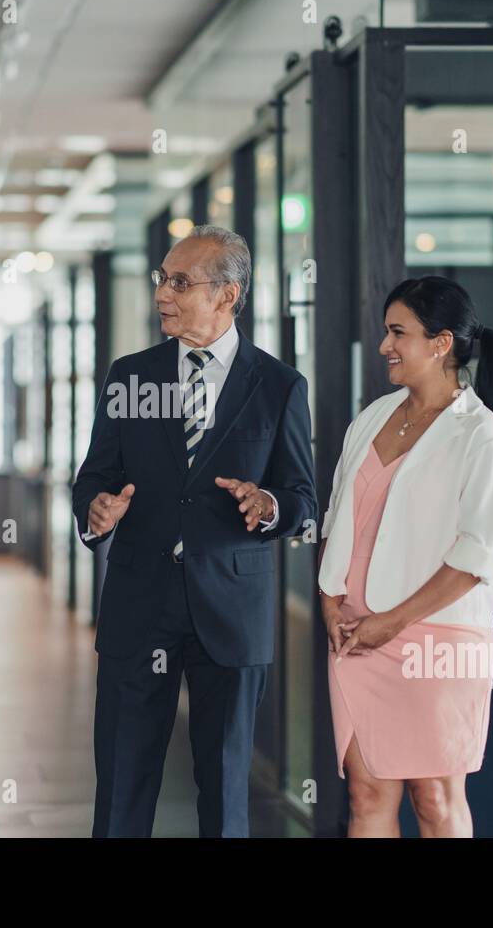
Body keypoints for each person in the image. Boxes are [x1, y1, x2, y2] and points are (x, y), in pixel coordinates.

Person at [73, 224, 316, 837]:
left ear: (228, 295)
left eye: (180, 282)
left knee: (227, 787)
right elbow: (93, 478)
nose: (163, 294)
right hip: (139, 603)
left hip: (231, 610)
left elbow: (302, 499)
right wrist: (95, 511)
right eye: (161, 279)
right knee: (123, 783)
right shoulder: (130, 376)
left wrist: (268, 505)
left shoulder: (280, 386)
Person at [316, 275, 493, 838]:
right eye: (387, 332)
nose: (386, 346)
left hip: (435, 641)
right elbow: (338, 524)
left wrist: (392, 622)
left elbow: (475, 557)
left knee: (435, 799)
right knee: (366, 792)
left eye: (398, 333)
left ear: (441, 343)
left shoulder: (481, 437)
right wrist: (331, 602)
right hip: (356, 632)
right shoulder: (374, 417)